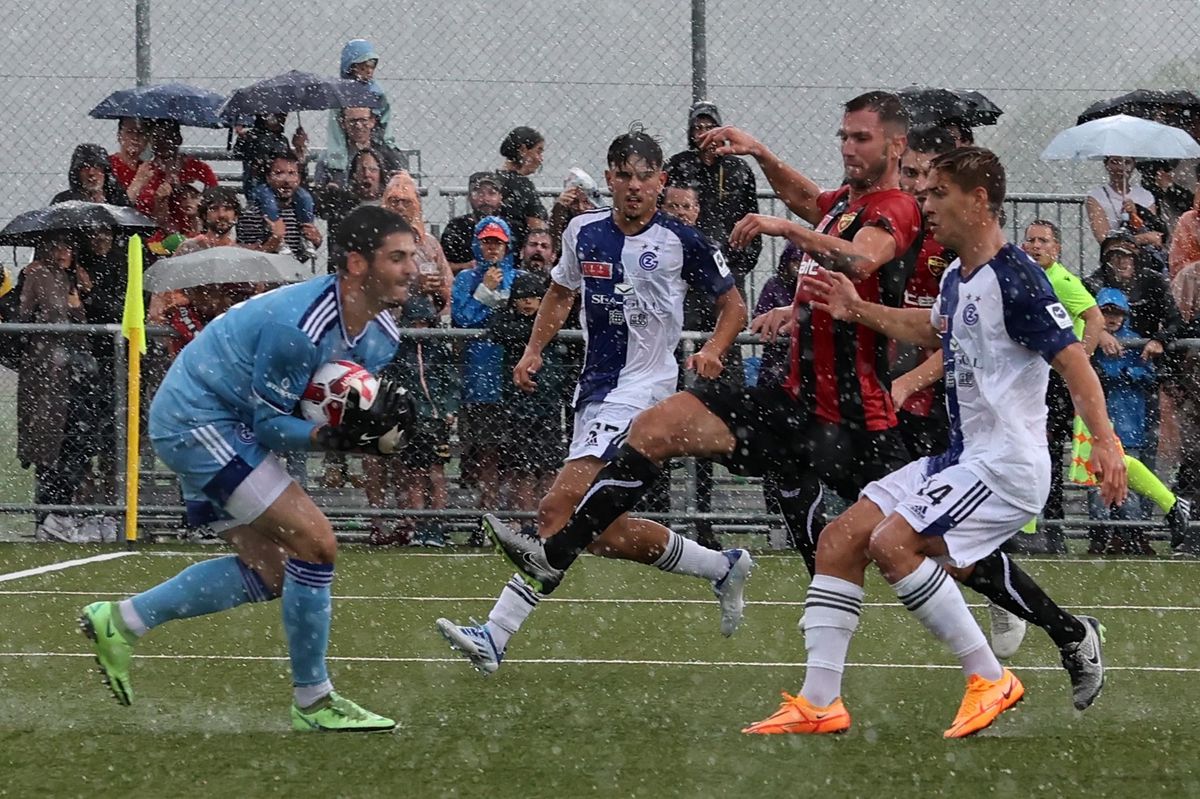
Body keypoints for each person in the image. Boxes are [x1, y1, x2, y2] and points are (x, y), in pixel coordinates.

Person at [493, 104, 1103, 707]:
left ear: (894, 148)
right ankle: (559, 555)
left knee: (923, 547)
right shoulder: (845, 204)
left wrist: (784, 231)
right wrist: (759, 157)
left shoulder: (893, 208)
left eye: (860, 138)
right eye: (842, 135)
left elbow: (860, 258)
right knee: (660, 427)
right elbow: (811, 202)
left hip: (853, 420)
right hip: (794, 401)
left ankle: (1060, 629)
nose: (846, 146)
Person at [740, 146, 1127, 738]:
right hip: (961, 457)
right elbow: (928, 328)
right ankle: (820, 703)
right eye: (924, 194)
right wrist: (856, 308)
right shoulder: (956, 274)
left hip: (1005, 465)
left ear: (978, 200)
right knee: (842, 539)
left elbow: (1074, 361)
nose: (927, 205)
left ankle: (990, 678)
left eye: (938, 194)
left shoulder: (1016, 276)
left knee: (895, 544)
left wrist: (1105, 441)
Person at [78, 205, 417, 732]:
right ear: (355, 263)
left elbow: (338, 408)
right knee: (318, 542)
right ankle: (313, 701)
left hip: (222, 421)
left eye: (411, 256)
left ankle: (121, 621)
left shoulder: (383, 334)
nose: (412, 268)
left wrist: (387, 435)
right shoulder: (299, 327)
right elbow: (270, 426)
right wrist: (334, 438)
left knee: (273, 572)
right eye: (398, 257)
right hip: (198, 418)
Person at [435, 130, 749, 674]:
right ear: (608, 180)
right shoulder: (583, 232)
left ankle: (495, 633)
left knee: (557, 511)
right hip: (596, 392)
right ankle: (720, 567)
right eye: (623, 175)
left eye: (644, 176)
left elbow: (734, 306)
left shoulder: (683, 240)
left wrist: (716, 351)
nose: (634, 186)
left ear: (660, 181)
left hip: (645, 391)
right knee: (598, 529)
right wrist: (534, 349)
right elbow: (560, 292)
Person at [19, 235, 99, 542]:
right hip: (46, 372)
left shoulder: (77, 277)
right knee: (48, 441)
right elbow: (24, 315)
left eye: (69, 246)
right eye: (57, 246)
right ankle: (49, 515)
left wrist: (81, 297)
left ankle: (67, 512)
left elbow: (84, 326)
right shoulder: (37, 275)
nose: (64, 252)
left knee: (75, 443)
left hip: (76, 371)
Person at [363, 295, 459, 547]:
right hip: (411, 420)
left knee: (436, 474)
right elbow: (388, 384)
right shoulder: (396, 351)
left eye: (423, 322)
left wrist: (448, 409)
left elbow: (451, 384)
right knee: (414, 474)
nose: (419, 328)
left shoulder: (439, 350)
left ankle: (437, 525)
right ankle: (417, 525)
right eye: (414, 322)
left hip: (435, 421)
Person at [451, 216, 522, 518]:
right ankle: (487, 512)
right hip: (480, 379)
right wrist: (484, 292)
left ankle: (517, 516)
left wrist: (492, 306)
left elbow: (511, 320)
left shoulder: (517, 278)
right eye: (487, 242)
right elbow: (463, 318)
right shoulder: (465, 279)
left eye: (498, 243)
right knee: (484, 451)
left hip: (514, 376)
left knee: (516, 455)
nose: (492, 248)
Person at [488, 271, 565, 510]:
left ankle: (547, 518)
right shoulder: (507, 319)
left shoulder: (548, 321)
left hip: (547, 404)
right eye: (523, 297)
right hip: (517, 406)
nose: (529, 302)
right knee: (522, 468)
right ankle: (526, 519)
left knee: (549, 467)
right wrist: (532, 336)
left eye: (534, 297)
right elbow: (499, 328)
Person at [665, 101, 762, 285]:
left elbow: (752, 218)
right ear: (691, 133)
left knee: (733, 312)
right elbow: (661, 212)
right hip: (686, 268)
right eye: (698, 128)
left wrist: (740, 266)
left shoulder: (738, 169)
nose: (705, 133)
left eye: (711, 127)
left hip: (730, 267)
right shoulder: (677, 166)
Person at [128, 120, 218, 235]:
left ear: (178, 139)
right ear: (150, 141)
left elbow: (214, 200)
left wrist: (187, 193)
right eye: (157, 137)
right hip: (153, 234)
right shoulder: (145, 172)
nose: (163, 142)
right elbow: (140, 210)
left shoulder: (198, 169)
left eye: (168, 136)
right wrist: (160, 201)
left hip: (196, 233)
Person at [381, 172, 453, 313]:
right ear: (385, 205)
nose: (400, 207)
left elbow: (449, 290)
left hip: (425, 324)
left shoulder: (430, 244)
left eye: (406, 202)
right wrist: (413, 288)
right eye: (394, 201)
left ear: (416, 206)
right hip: (384, 322)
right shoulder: (372, 241)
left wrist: (437, 291)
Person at [323, 39, 396, 176]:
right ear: (351, 67)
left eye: (372, 66)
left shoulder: (377, 92)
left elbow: (386, 126)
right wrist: (337, 163)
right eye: (364, 67)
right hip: (346, 147)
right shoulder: (340, 94)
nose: (369, 71)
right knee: (328, 165)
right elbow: (335, 134)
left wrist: (385, 146)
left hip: (374, 146)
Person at [233, 114, 315, 235]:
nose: (280, 118)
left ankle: (306, 232)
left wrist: (299, 148)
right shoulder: (252, 136)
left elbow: (289, 163)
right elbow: (238, 153)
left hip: (279, 184)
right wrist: (242, 139)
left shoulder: (282, 139)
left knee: (305, 198)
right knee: (269, 201)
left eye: (282, 115)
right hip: (259, 185)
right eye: (273, 115)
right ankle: (276, 231)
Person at [238, 152, 322, 265]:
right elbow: (245, 261)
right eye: (279, 173)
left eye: (292, 173)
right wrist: (273, 242)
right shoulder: (252, 214)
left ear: (299, 178)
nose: (286, 180)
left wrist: (315, 242)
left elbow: (296, 261)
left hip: (291, 277)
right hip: (262, 278)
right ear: (268, 178)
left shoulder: (299, 211)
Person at [1086, 156, 1163, 247]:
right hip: (1114, 257)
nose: (1121, 167)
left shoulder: (1145, 196)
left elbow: (1154, 234)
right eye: (1115, 162)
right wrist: (1141, 239)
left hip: (1144, 256)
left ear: (1134, 165)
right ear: (1106, 165)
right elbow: (1104, 240)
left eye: (1127, 162)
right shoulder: (1097, 196)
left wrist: (1135, 214)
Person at [496, 126, 549, 252]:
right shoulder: (523, 186)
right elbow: (537, 230)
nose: (540, 158)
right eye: (539, 151)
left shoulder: (494, 182)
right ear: (523, 150)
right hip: (517, 255)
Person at [441, 171, 504, 272]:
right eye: (479, 193)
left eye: (492, 193)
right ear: (469, 198)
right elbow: (442, 265)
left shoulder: (510, 227)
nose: (485, 199)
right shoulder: (457, 227)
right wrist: (466, 267)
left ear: (500, 197)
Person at [52, 143, 128, 206]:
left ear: (105, 171)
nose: (91, 173)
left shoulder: (117, 200)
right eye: (85, 167)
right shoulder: (64, 201)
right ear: (77, 173)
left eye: (97, 167)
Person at [174, 187, 242, 256]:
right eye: (214, 209)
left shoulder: (239, 253)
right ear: (204, 215)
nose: (221, 215)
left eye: (227, 209)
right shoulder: (188, 248)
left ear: (235, 216)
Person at [109, 117, 147, 197]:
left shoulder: (149, 170)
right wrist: (138, 182)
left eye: (140, 133)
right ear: (119, 136)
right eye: (129, 132)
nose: (135, 137)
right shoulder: (109, 165)